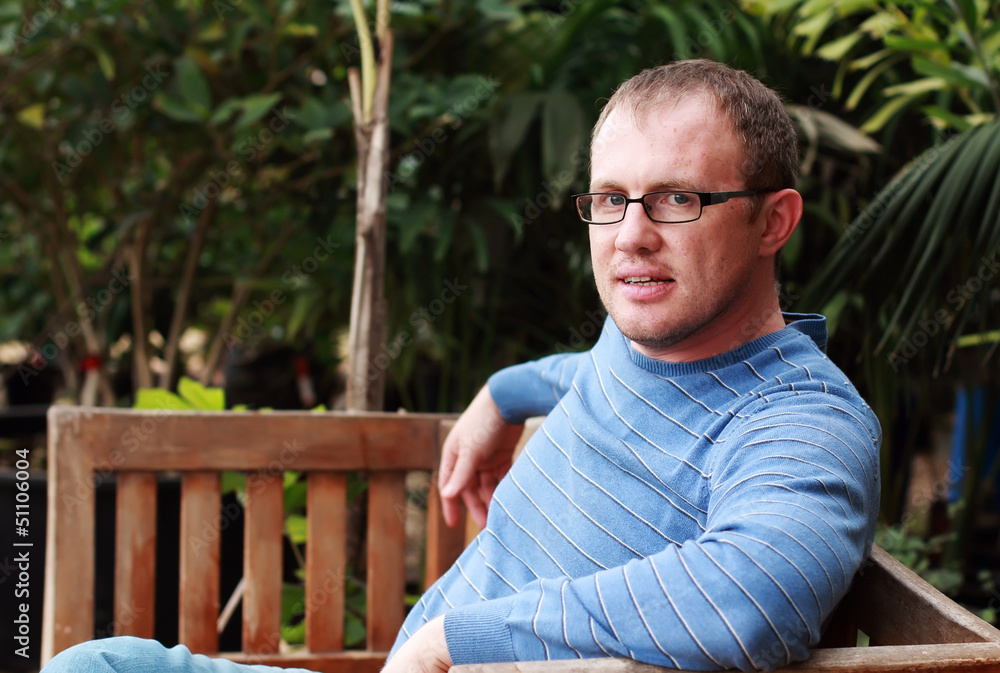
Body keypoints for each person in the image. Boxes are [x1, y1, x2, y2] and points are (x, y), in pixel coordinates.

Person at [43, 59, 880, 673]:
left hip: (442, 661)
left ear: (774, 222)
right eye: (610, 199)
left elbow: (751, 597)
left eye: (677, 199)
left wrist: (453, 638)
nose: (630, 235)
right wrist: (499, 395)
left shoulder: (801, 420)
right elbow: (581, 372)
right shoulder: (637, 347)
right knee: (98, 665)